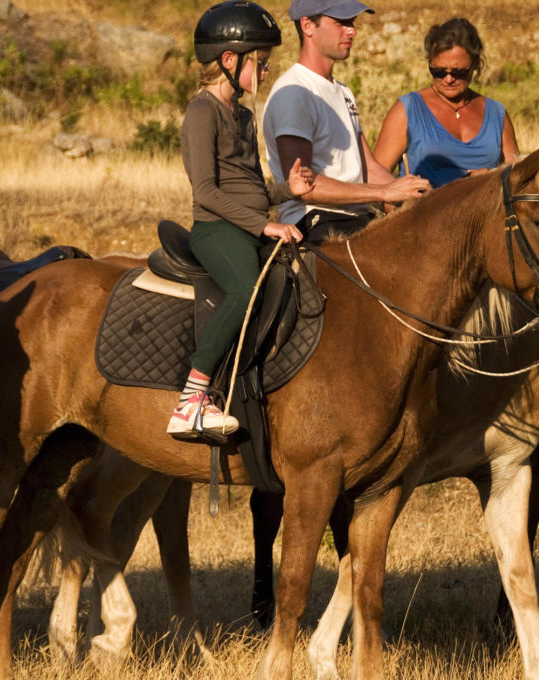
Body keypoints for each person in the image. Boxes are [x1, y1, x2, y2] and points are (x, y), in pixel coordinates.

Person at [168, 1, 314, 438]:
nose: (266, 71)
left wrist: (290, 191)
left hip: (248, 225)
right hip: (216, 231)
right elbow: (206, 193)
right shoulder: (201, 112)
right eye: (260, 62)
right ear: (229, 60)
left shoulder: (244, 115)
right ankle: (191, 399)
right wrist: (264, 225)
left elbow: (252, 190)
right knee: (246, 288)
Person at [262, 0, 430, 242]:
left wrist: (415, 194)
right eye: (341, 22)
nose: (352, 30)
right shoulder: (294, 92)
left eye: (352, 22)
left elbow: (367, 168)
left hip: (354, 218)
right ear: (308, 26)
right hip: (314, 222)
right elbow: (304, 187)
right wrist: (384, 192)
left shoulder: (343, 92)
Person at [374, 17, 519, 188]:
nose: (448, 79)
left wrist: (491, 176)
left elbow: (518, 177)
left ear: (475, 66)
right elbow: (376, 176)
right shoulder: (407, 110)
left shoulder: (496, 114)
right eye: (438, 71)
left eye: (458, 72)